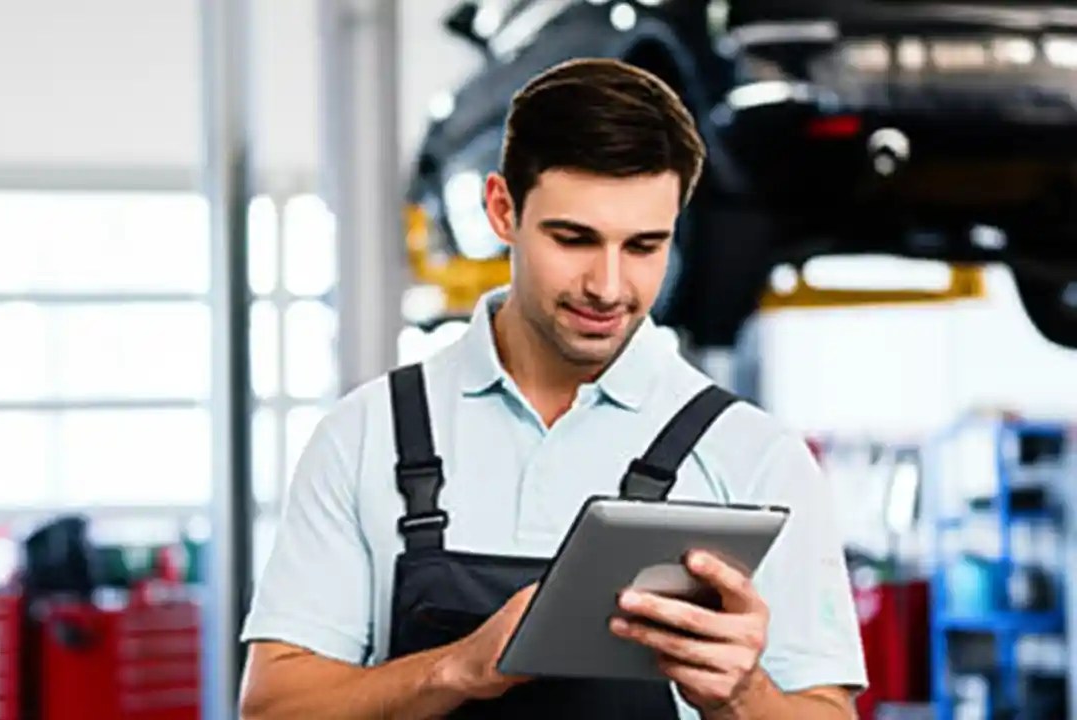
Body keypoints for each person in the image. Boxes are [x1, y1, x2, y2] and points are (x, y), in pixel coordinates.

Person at [237, 58, 867, 719]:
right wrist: (457, 668)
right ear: (502, 211)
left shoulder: (756, 455)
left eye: (645, 246)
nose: (608, 285)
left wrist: (743, 695)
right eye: (574, 239)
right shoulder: (368, 435)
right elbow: (272, 709)